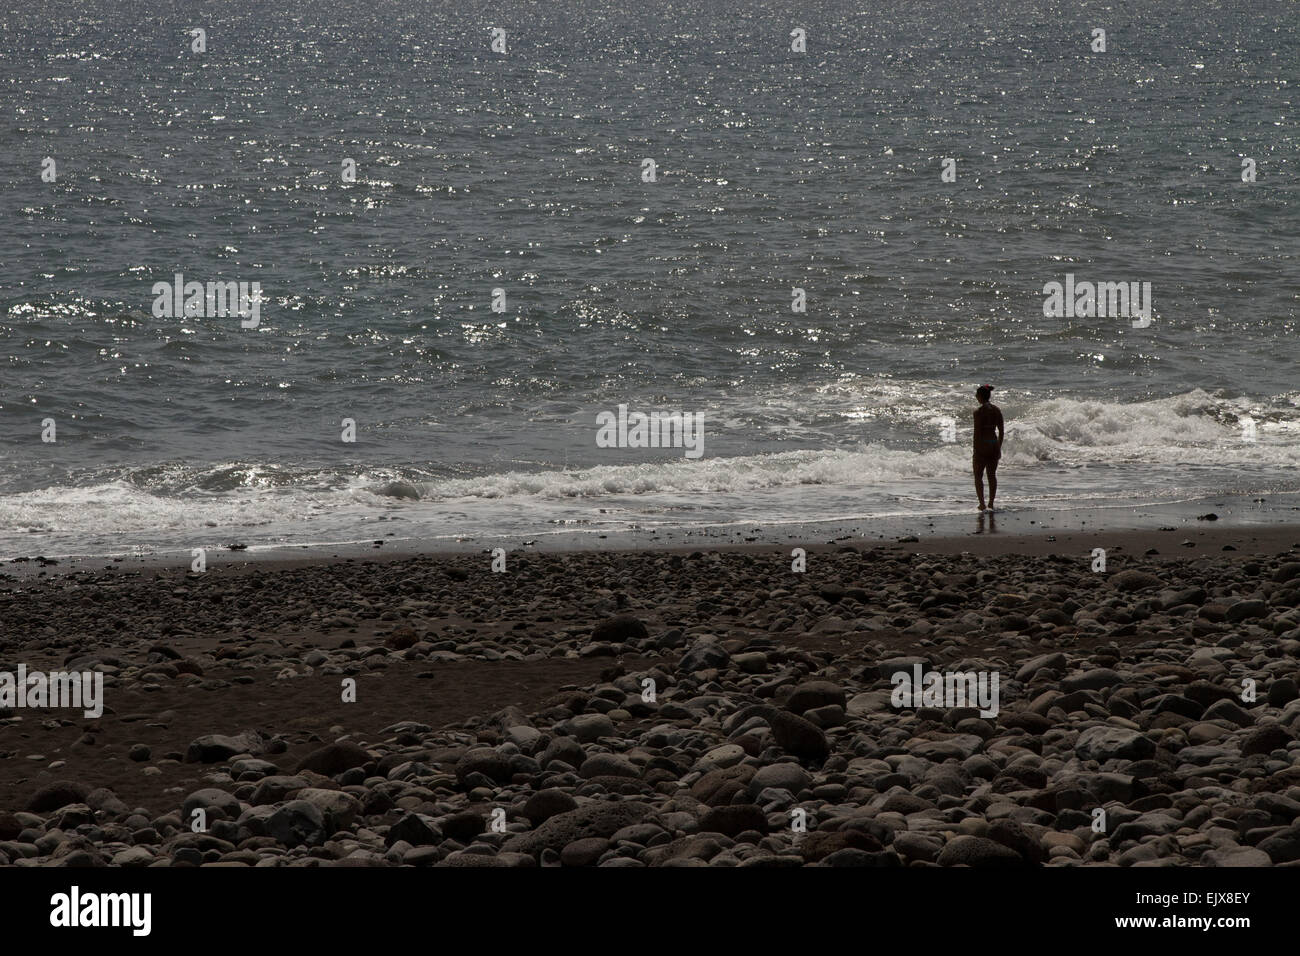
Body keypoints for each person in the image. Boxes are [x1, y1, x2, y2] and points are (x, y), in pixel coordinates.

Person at [972, 384, 1004, 512]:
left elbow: (977, 433)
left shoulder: (978, 412)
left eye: (976, 395)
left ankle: (982, 504)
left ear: (980, 397)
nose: (975, 397)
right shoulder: (997, 410)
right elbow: (1001, 432)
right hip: (993, 444)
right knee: (992, 475)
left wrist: (976, 449)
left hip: (982, 446)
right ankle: (991, 503)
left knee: (978, 476)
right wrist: (999, 447)